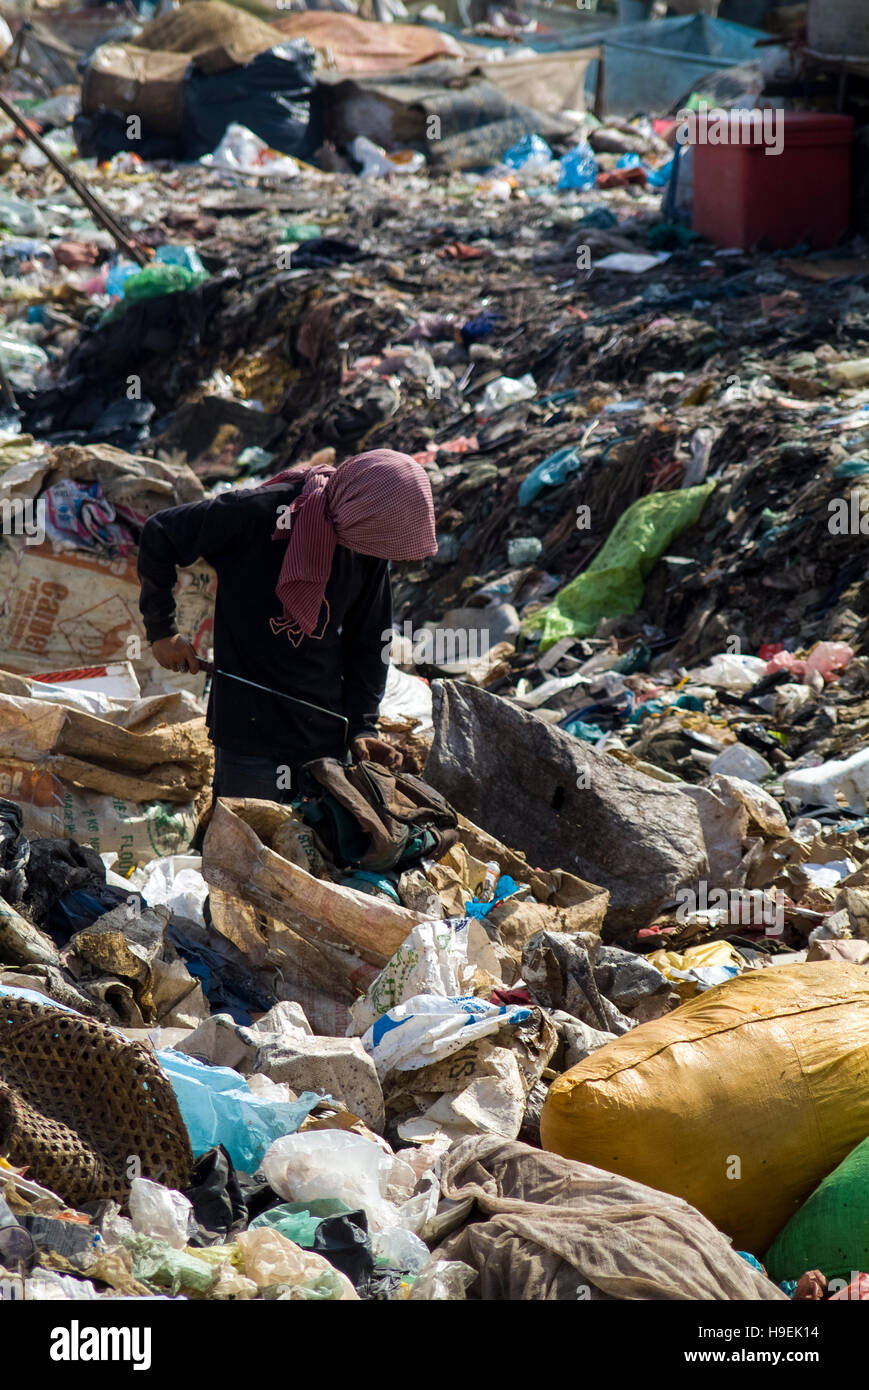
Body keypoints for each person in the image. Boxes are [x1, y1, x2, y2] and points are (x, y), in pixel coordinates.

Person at [137, 449, 437, 801]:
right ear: (360, 506)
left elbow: (369, 642)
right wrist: (162, 632)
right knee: (245, 848)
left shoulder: (368, 544)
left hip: (323, 735)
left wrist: (362, 726)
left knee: (316, 849)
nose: (382, 552)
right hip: (249, 732)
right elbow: (161, 533)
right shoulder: (259, 514)